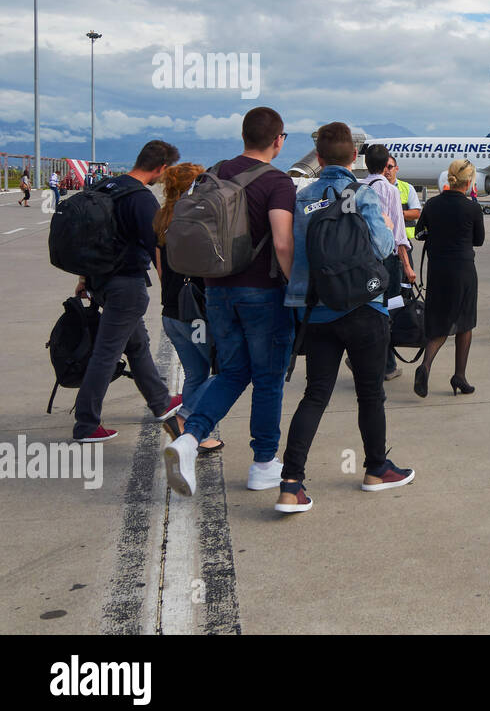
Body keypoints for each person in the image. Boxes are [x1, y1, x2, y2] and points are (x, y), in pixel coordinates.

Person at [269, 121, 412, 514]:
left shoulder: (302, 197)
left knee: (315, 394)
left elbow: (292, 250)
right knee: (370, 393)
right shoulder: (362, 194)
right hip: (365, 307)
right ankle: (376, 469)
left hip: (318, 311)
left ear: (318, 157)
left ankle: (291, 484)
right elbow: (383, 246)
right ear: (354, 156)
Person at [164, 107, 296, 496]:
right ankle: (264, 464)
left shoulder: (213, 173)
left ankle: (189, 439)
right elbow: (283, 242)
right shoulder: (277, 181)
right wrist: (296, 287)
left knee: (232, 373)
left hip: (216, 290)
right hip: (263, 294)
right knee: (268, 379)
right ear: (278, 140)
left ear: (243, 136)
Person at [70, 141, 182, 443]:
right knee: (106, 354)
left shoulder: (106, 187)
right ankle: (86, 424)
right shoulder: (141, 199)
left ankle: (160, 401)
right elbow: (158, 247)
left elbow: (89, 239)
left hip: (101, 281)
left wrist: (84, 278)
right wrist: (169, 290)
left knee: (137, 344)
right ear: (161, 167)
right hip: (126, 287)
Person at [153, 162, 222, 452]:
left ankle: (197, 436)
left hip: (172, 312)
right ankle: (184, 419)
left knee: (195, 374)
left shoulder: (162, 219)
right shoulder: (196, 221)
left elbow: (161, 271)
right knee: (226, 372)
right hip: (196, 316)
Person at [414, 158, 484, 397]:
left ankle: (425, 365)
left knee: (440, 321)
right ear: (469, 181)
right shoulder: (472, 208)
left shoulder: (432, 204)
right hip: (462, 270)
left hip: (438, 269)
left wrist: (436, 235)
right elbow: (479, 240)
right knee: (465, 322)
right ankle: (459, 376)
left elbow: (420, 233)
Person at [360, 144, 416, 381]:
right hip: (387, 261)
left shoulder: (358, 188)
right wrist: (407, 266)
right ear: (385, 166)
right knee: (388, 309)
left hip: (363, 261)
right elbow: (399, 235)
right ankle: (386, 364)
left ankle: (366, 358)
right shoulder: (391, 191)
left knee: (367, 308)